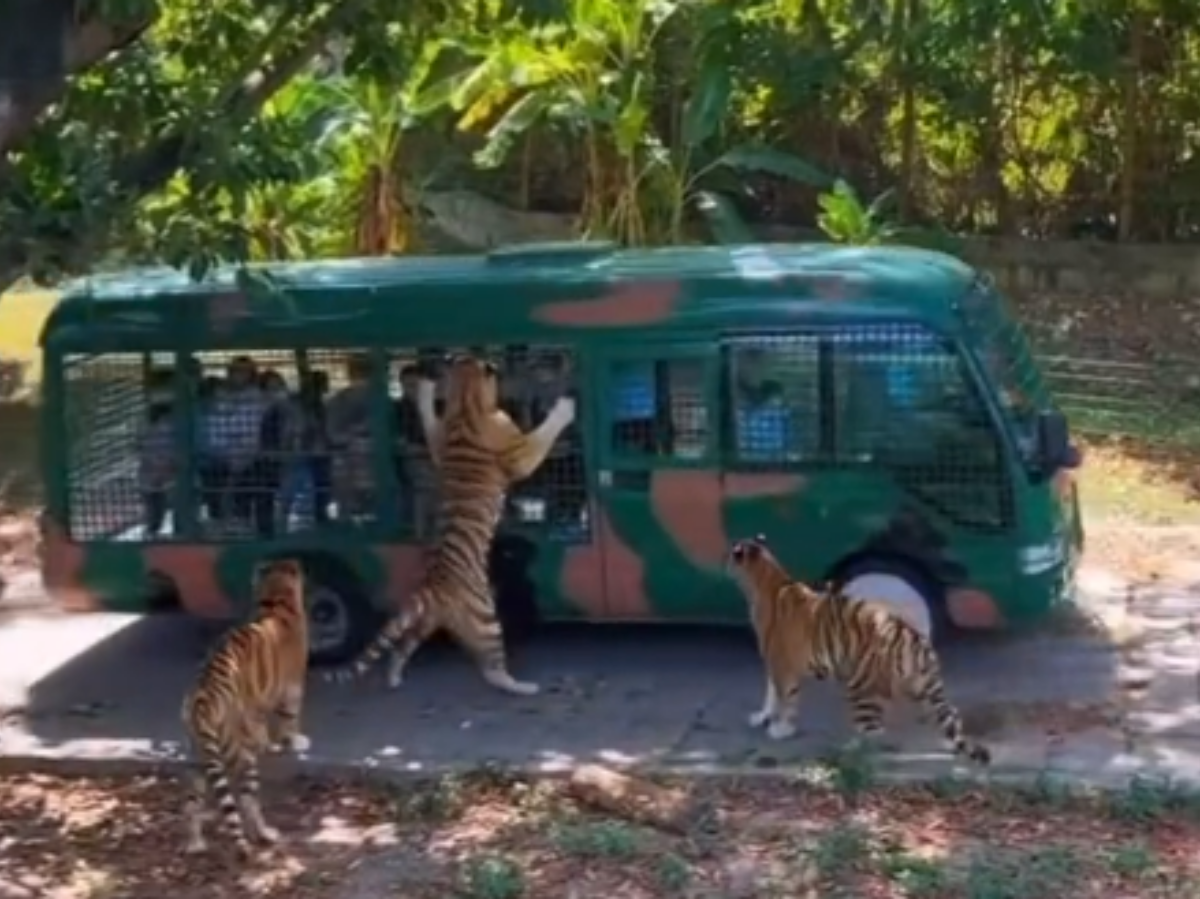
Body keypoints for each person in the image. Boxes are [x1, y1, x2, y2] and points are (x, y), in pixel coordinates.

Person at [199, 356, 270, 531]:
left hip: (247, 456)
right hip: (216, 456)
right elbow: (214, 424)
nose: (238, 375)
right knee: (215, 494)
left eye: (244, 371)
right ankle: (218, 523)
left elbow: (252, 427)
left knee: (243, 494)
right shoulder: (218, 395)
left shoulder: (258, 397)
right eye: (235, 371)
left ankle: (242, 523)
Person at [138, 399, 175, 536]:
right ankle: (152, 531)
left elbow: (141, 449)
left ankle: (151, 531)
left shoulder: (147, 429)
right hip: (157, 474)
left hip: (152, 475)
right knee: (156, 507)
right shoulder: (164, 429)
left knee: (155, 507)